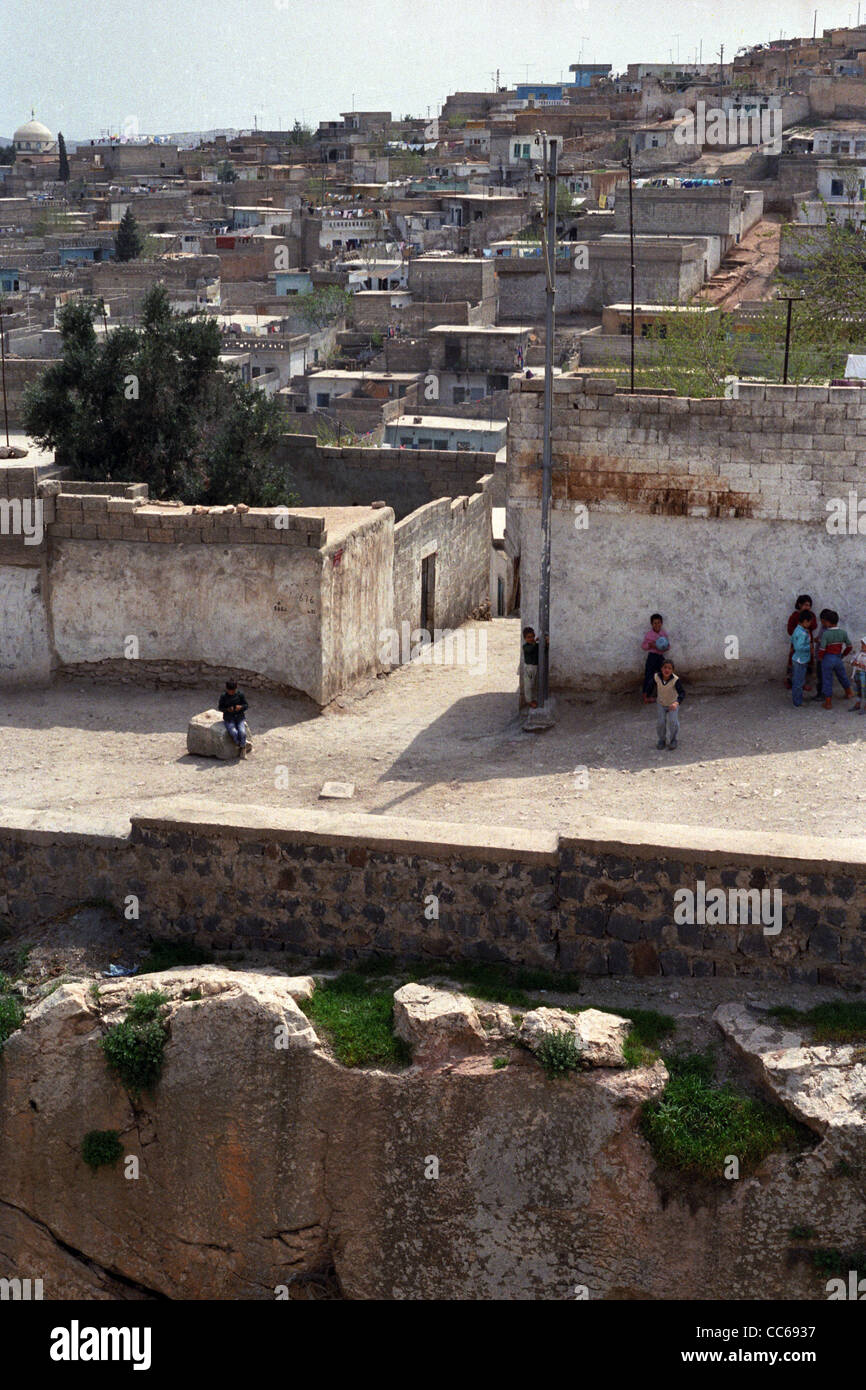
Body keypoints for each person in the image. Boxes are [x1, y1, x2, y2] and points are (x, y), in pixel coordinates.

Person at [818, 610, 854, 708]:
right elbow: (850, 646)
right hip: (838, 657)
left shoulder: (826, 634)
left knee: (827, 679)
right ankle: (849, 692)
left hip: (827, 658)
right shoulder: (843, 633)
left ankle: (828, 702)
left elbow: (822, 648)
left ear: (827, 622)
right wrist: (843, 655)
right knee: (842, 676)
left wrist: (820, 658)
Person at [786, 594, 817, 692]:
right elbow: (790, 630)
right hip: (797, 643)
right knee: (794, 662)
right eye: (805, 605)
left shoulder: (811, 615)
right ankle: (790, 681)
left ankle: (804, 683)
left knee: (807, 662)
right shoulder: (795, 616)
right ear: (799, 605)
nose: (807, 607)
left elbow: (814, 626)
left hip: (808, 642)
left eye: (809, 605)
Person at [654, 659, 685, 750]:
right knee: (661, 722)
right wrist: (646, 694)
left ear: (672, 670)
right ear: (661, 669)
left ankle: (673, 739)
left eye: (669, 668)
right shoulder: (657, 677)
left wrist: (677, 702)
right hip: (661, 703)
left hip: (672, 704)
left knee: (673, 721)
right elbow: (650, 685)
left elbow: (682, 693)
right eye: (665, 668)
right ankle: (662, 740)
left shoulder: (675, 680)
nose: (667, 670)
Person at [218, 678, 251, 757]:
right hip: (229, 718)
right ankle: (242, 744)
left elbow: (246, 705)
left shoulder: (240, 695)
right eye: (230, 691)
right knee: (234, 732)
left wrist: (241, 707)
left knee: (242, 732)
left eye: (233, 691)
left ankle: (242, 748)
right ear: (227, 689)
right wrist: (227, 709)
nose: (232, 692)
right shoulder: (224, 696)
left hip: (239, 717)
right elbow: (220, 707)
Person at [641, 613, 670, 702]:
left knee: (665, 674)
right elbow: (643, 646)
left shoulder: (663, 634)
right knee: (649, 676)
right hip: (652, 657)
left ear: (661, 623)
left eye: (658, 623)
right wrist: (651, 645)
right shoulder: (649, 635)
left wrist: (664, 647)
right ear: (651, 624)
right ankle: (646, 696)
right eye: (655, 623)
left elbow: (668, 646)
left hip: (660, 657)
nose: (657, 625)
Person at [790, 611, 813, 707]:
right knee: (798, 682)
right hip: (801, 659)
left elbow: (792, 640)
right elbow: (799, 647)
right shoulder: (802, 633)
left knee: (798, 680)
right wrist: (809, 647)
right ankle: (797, 702)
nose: (810, 624)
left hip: (798, 658)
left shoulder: (797, 630)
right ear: (805, 621)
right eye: (809, 622)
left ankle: (797, 699)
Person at [521, 627, 547, 708]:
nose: (531, 638)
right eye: (528, 637)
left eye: (532, 636)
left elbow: (544, 650)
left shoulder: (536, 645)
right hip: (529, 668)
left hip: (535, 667)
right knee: (528, 685)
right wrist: (535, 641)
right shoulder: (525, 646)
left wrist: (546, 642)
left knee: (534, 684)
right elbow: (530, 649)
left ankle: (533, 699)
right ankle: (529, 701)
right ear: (525, 638)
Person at [850, 637, 866, 714]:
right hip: (857, 674)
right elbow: (852, 661)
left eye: (864, 645)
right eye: (862, 645)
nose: (862, 646)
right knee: (858, 689)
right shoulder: (859, 653)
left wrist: (861, 665)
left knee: (865, 691)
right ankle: (858, 704)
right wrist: (854, 663)